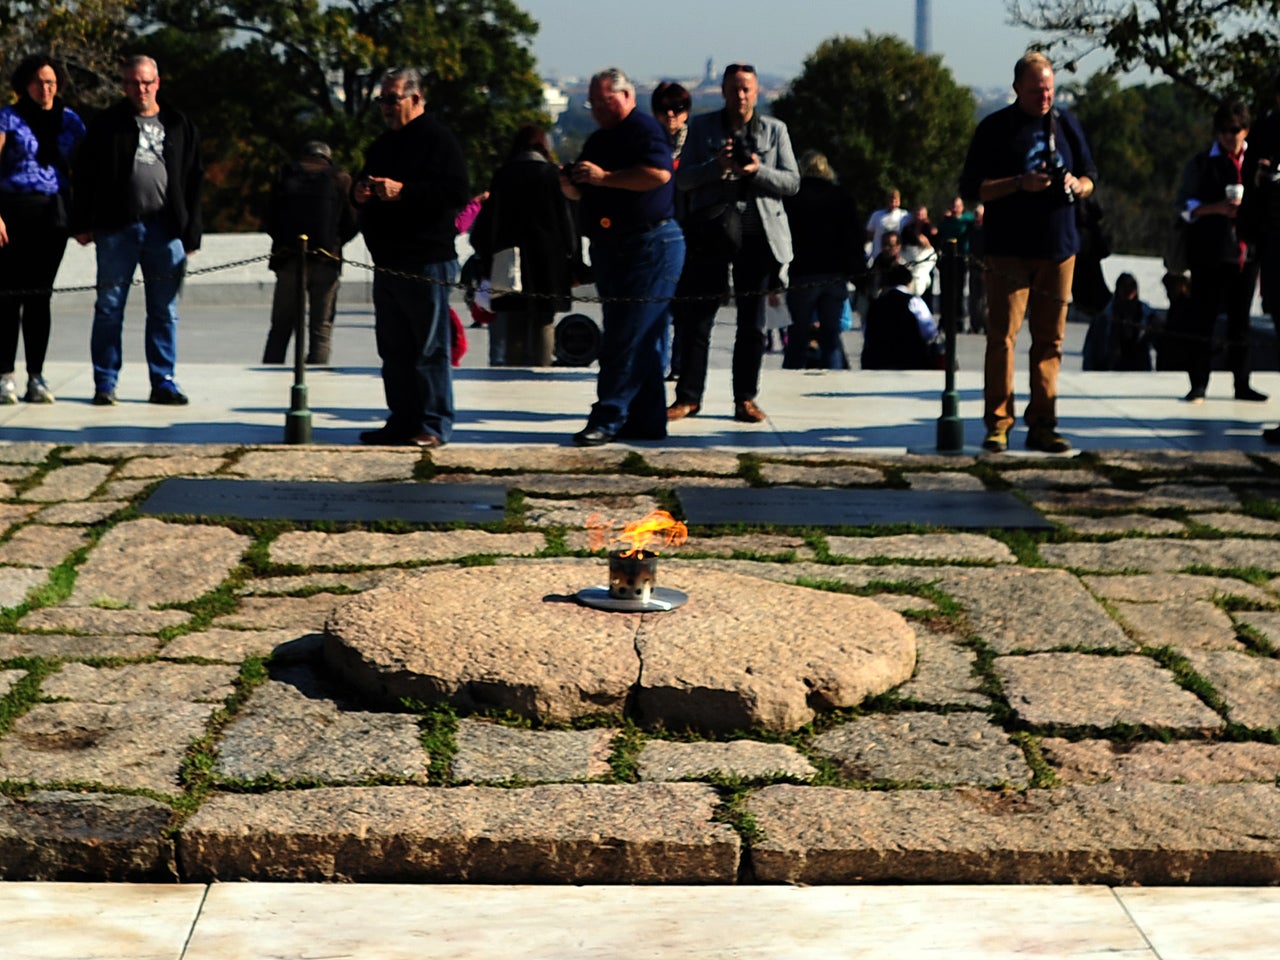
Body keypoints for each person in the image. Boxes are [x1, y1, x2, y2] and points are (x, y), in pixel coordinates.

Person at [959, 52, 1097, 454]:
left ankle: (1043, 423)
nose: (1045, 96)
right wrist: (1021, 183)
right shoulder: (995, 128)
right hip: (1008, 251)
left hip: (1058, 248)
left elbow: (1092, 178)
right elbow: (974, 189)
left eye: (1050, 89)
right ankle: (998, 423)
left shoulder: (1066, 123)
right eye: (1037, 89)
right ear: (1017, 87)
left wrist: (1076, 185)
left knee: (1050, 340)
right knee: (1002, 338)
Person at [667, 63, 798, 424]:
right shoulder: (703, 129)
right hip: (711, 234)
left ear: (757, 92)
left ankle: (745, 398)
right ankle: (689, 397)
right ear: (723, 91)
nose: (740, 95)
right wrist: (716, 166)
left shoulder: (775, 131)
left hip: (758, 237)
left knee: (752, 324)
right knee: (698, 320)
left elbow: (792, 183)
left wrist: (757, 171)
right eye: (734, 89)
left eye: (747, 89)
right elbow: (683, 180)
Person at [561, 67, 684, 446]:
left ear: (627, 96)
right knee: (640, 337)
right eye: (592, 102)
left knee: (625, 336)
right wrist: (572, 185)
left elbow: (657, 175)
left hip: (650, 245)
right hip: (614, 247)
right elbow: (588, 191)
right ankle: (646, 420)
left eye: (604, 100)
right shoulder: (599, 139)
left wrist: (603, 178)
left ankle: (609, 415)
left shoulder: (643, 130)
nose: (597, 108)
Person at [71, 54, 203, 406]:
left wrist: (192, 232)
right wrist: (82, 223)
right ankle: (105, 382)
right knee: (109, 308)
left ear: (157, 82)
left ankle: (163, 381)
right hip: (117, 229)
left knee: (164, 311)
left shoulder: (178, 123)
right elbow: (84, 175)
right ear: (124, 85)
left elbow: (194, 180)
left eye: (146, 82)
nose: (140, 89)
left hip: (166, 229)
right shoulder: (107, 123)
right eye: (132, 82)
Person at [353, 66, 469, 448]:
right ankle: (401, 420)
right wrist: (361, 194)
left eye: (392, 99)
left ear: (416, 99)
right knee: (395, 348)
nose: (386, 107)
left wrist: (403, 191)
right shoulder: (383, 144)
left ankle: (434, 424)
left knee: (429, 348)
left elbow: (454, 192)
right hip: (389, 261)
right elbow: (365, 184)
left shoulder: (439, 141)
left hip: (426, 260)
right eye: (382, 99)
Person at [0, 54, 85, 405]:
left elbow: (87, 169)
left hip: (52, 216)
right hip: (13, 213)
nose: (45, 88)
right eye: (37, 81)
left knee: (39, 297)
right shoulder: (8, 117)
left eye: (50, 81)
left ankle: (37, 375)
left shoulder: (69, 121)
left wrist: (85, 219)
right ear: (25, 85)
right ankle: (5, 376)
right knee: (7, 298)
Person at [1176, 98, 1266, 404]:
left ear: (1246, 130)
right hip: (1209, 253)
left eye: (1237, 130)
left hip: (1246, 253)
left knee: (1241, 323)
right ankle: (1198, 384)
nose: (1230, 136)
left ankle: (1242, 383)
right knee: (1203, 320)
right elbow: (1184, 206)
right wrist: (1215, 208)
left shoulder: (1258, 162)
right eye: (1225, 130)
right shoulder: (1203, 162)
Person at [470, 125, 577, 367]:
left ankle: (513, 373)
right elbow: (566, 222)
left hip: (510, 259)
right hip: (548, 262)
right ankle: (542, 370)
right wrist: (573, 260)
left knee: (514, 322)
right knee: (544, 320)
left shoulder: (504, 174)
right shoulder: (551, 174)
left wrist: (485, 258)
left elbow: (488, 223)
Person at [261, 141, 357, 366]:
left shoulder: (285, 174)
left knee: (281, 326)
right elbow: (353, 222)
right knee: (321, 327)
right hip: (327, 259)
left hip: (288, 259)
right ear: (328, 158)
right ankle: (317, 376)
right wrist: (336, 241)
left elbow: (269, 218)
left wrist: (284, 240)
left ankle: (268, 373)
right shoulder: (340, 179)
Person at [781, 150, 860, 370]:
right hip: (835, 273)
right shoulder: (841, 197)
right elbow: (853, 237)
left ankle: (790, 381)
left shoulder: (792, 197)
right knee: (831, 337)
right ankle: (832, 384)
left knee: (797, 335)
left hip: (802, 273)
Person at [651, 81, 691, 380]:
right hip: (658, 233)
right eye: (665, 110)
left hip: (691, 233)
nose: (671, 115)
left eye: (678, 109)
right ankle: (658, 363)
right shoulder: (648, 145)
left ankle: (680, 365)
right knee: (658, 308)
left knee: (686, 309)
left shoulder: (696, 144)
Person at [861, 263, 941, 370]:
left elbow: (867, 333)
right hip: (910, 360)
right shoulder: (914, 302)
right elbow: (930, 332)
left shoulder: (876, 304)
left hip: (878, 361)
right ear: (909, 282)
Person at [1082, 272, 1158, 371]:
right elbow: (1091, 347)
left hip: (1138, 368)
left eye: (1131, 287)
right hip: (1109, 368)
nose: (1128, 291)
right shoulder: (1104, 315)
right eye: (1124, 287)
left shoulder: (1146, 313)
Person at [937, 196, 975, 326]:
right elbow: (939, 236)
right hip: (946, 258)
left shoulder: (967, 219)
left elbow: (976, 219)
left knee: (958, 291)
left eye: (957, 206)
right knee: (945, 290)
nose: (955, 208)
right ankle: (944, 320)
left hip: (960, 258)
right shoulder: (945, 221)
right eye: (953, 205)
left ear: (962, 207)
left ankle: (958, 320)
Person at [866, 188, 909, 259]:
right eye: (891, 199)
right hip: (879, 254)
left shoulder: (905, 215)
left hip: (899, 257)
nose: (893, 202)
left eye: (896, 199)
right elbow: (870, 233)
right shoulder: (877, 215)